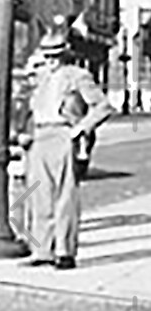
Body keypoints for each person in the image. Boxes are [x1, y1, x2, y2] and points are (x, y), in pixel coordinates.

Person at [21, 31, 114, 269]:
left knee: (65, 197)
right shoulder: (39, 78)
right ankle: (42, 250)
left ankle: (64, 251)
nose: (51, 61)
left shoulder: (78, 76)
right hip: (39, 137)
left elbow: (102, 106)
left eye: (56, 55)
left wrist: (81, 128)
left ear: (65, 55)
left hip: (63, 135)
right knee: (38, 196)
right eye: (47, 55)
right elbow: (27, 107)